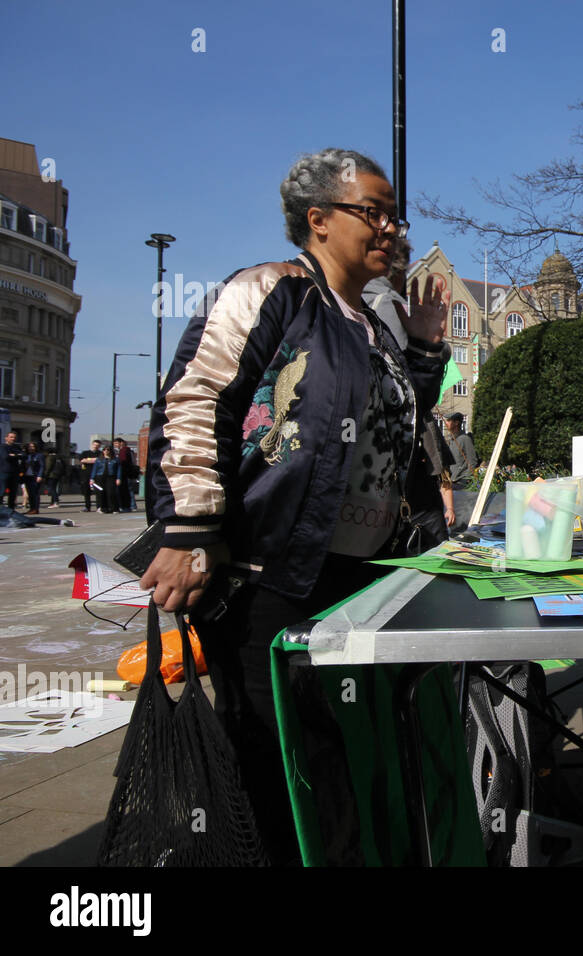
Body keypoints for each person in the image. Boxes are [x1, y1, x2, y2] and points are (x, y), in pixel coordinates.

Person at [140, 148, 452, 865]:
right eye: (372, 211)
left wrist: (425, 354)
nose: (391, 227)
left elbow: (388, 432)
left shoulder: (373, 327)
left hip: (360, 577)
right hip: (271, 573)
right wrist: (190, 530)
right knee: (277, 759)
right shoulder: (270, 291)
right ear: (318, 220)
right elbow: (195, 399)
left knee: (337, 751)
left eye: (393, 214)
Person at [364, 238, 457, 541]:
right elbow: (411, 394)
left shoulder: (356, 302)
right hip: (395, 462)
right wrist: (432, 351)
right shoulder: (384, 303)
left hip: (373, 466)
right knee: (428, 542)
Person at [444, 412, 478, 489]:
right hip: (452, 481)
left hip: (462, 482)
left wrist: (465, 478)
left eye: (449, 420)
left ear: (456, 423)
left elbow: (472, 461)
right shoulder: (451, 440)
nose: (446, 423)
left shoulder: (465, 439)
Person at [92, 445, 118, 513]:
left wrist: (118, 478)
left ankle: (113, 508)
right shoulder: (99, 460)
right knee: (101, 493)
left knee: (111, 493)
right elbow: (95, 469)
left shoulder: (115, 460)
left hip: (111, 477)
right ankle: (103, 508)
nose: (106, 451)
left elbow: (119, 470)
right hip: (100, 477)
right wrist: (92, 478)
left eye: (108, 450)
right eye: (104, 450)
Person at [114, 438, 137, 512]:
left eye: (116, 443)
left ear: (121, 443)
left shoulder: (124, 450)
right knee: (129, 490)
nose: (115, 445)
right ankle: (132, 505)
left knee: (128, 490)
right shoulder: (129, 450)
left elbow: (122, 461)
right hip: (129, 473)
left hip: (126, 473)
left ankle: (131, 505)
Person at [21, 441, 44, 515]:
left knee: (35, 493)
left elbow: (42, 466)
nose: (31, 448)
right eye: (29, 447)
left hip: (35, 476)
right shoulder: (26, 455)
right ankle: (31, 508)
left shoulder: (39, 455)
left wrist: (40, 475)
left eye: (33, 446)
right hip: (27, 476)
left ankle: (36, 509)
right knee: (30, 493)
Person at [79, 440, 101, 511]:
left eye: (98, 445)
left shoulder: (100, 453)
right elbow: (82, 460)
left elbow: (101, 460)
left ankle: (99, 507)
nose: (96, 446)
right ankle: (87, 507)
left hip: (97, 474)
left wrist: (88, 460)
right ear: (92, 444)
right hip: (86, 474)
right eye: (95, 445)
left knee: (98, 491)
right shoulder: (85, 453)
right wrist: (94, 460)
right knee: (86, 491)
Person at [1, 432, 19, 510]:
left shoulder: (17, 447)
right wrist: (17, 455)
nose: (13, 439)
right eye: (11, 437)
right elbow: (6, 457)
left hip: (15, 473)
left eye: (14, 437)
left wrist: (13, 455)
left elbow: (24, 455)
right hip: (4, 472)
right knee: (2, 491)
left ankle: (11, 511)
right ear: (6, 438)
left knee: (13, 493)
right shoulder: (2, 447)